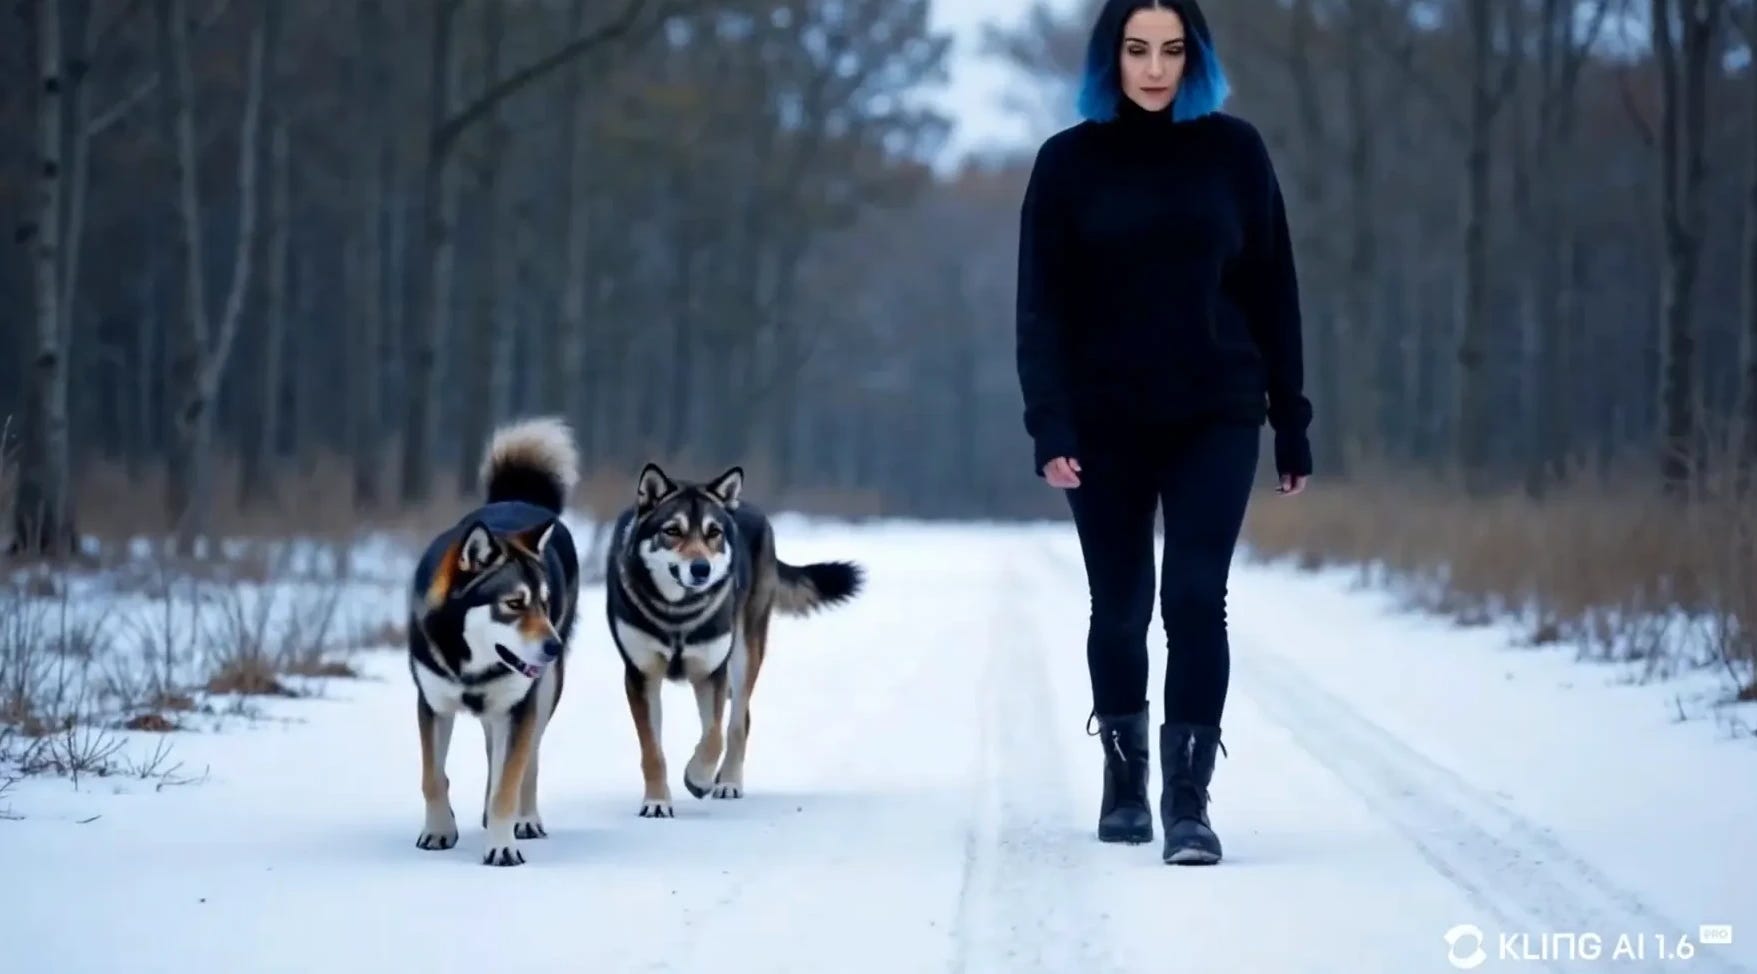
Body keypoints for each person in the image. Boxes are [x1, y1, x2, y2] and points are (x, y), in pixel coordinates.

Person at [1013, 0, 1313, 866]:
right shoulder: (1066, 165)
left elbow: (1273, 294)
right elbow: (1041, 311)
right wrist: (1050, 424)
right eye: (1137, 49)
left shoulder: (1235, 153)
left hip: (1215, 412)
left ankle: (1188, 802)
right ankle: (1122, 779)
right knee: (1119, 608)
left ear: (1196, 58)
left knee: (1192, 597)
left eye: (1171, 50)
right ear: (1110, 58)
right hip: (1102, 420)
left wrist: (1288, 422)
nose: (1154, 67)